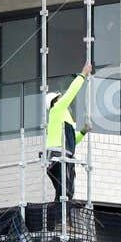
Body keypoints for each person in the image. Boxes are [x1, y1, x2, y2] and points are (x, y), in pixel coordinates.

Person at [43, 62, 93, 202]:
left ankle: (62, 220)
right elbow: (71, 93)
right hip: (57, 155)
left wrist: (83, 131)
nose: (62, 99)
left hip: (65, 155)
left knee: (68, 192)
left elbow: (71, 140)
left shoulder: (65, 118)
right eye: (59, 98)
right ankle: (59, 221)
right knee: (64, 192)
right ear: (55, 101)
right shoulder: (57, 109)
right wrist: (82, 74)